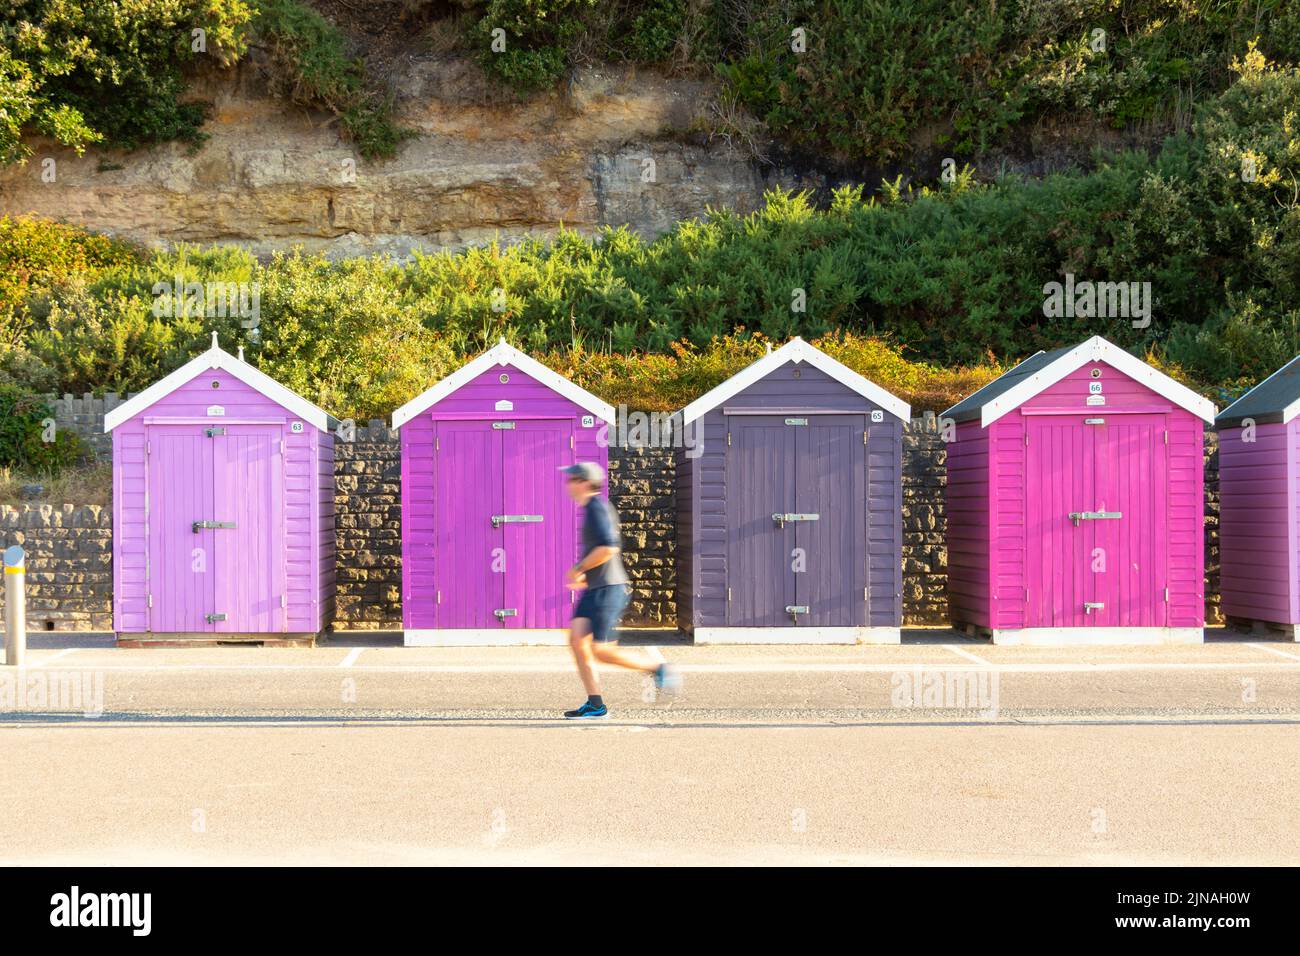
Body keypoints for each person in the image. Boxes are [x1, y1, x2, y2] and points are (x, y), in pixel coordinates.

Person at [559, 462, 680, 719]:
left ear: (583, 482)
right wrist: (586, 576)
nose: (567, 484)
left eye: (571, 479)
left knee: (603, 651)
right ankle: (595, 704)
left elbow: (608, 547)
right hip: (596, 588)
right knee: (578, 641)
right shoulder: (591, 509)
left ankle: (657, 668)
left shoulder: (596, 508)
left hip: (609, 589)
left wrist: (579, 567)